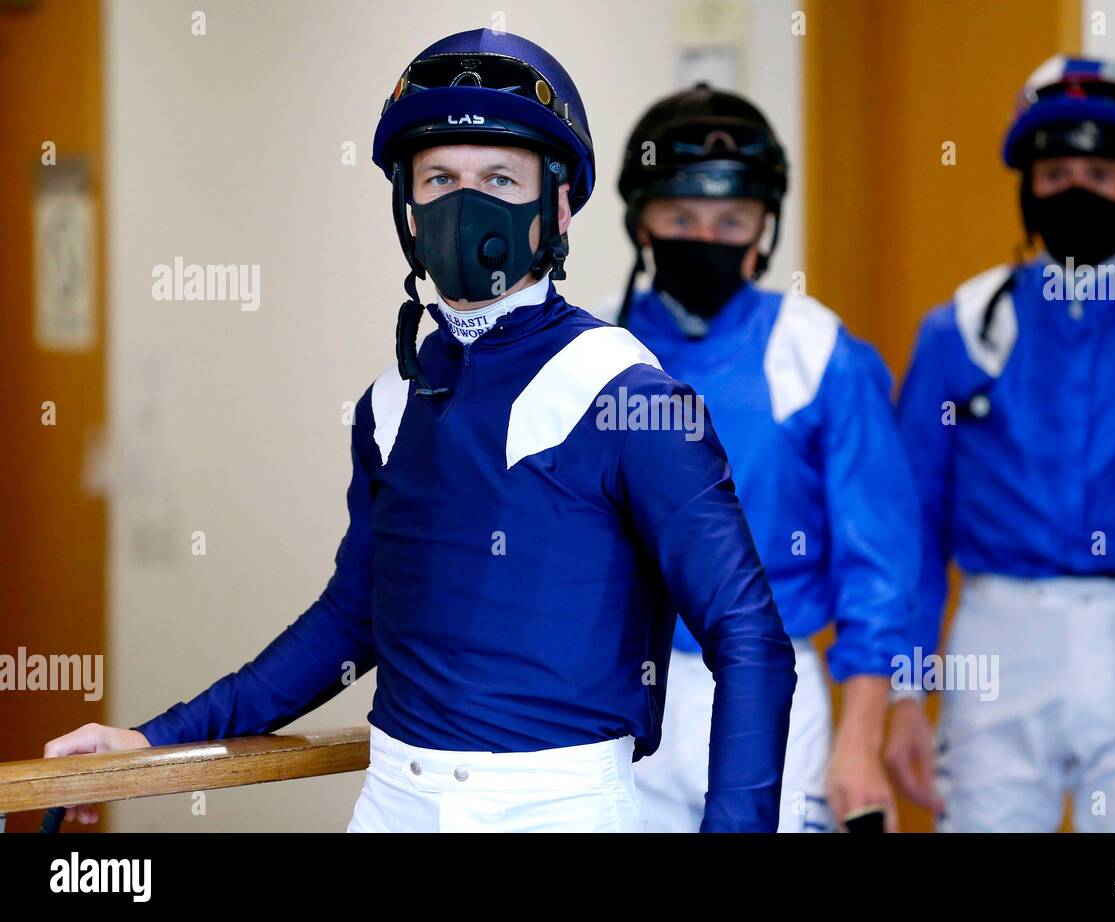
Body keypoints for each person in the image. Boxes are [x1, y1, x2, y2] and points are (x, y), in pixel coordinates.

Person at [44, 30, 797, 834]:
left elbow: (750, 638)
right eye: (441, 178)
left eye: (500, 177)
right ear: (407, 203)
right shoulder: (389, 401)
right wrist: (153, 741)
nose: (465, 204)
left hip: (559, 806)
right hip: (392, 799)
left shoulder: (632, 396)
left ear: (561, 204)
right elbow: (350, 619)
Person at [886, 56, 1115, 832]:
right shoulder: (958, 332)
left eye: (1101, 171)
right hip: (995, 640)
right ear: (1025, 185)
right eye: (1055, 172)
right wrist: (904, 691)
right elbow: (909, 526)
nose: (1077, 190)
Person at [599, 84, 920, 832]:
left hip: (772, 693)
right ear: (640, 220)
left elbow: (882, 565)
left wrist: (861, 740)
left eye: (731, 220)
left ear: (763, 227)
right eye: (681, 216)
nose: (706, 237)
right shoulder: (591, 353)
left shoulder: (821, 352)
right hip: (612, 693)